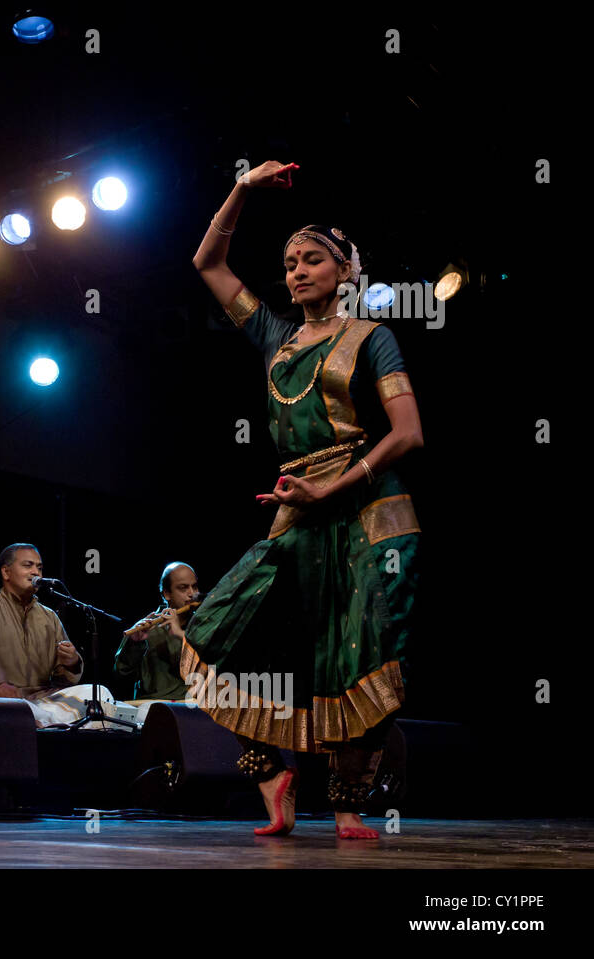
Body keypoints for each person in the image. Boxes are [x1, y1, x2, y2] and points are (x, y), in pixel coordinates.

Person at [187, 160, 424, 839]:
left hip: (366, 510)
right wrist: (241, 187)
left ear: (347, 270)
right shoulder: (274, 338)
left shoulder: (372, 339)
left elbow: (408, 433)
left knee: (358, 655)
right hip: (299, 508)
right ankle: (275, 781)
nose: (296, 271)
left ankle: (347, 803)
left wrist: (332, 487)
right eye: (289, 261)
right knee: (221, 634)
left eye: (313, 259)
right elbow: (207, 261)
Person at [0, 543, 83, 699]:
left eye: (39, 568)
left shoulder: (49, 616)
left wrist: (72, 662)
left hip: (42, 696)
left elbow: (63, 679)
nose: (36, 572)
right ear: (6, 572)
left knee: (96, 694)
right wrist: (0, 684)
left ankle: (43, 718)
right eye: (28, 565)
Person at [114, 561, 199, 700]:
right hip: (154, 708)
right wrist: (134, 645)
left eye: (194, 587)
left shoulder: (203, 626)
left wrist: (179, 634)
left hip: (193, 708)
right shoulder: (148, 627)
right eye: (183, 588)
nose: (192, 594)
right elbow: (121, 675)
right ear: (167, 593)